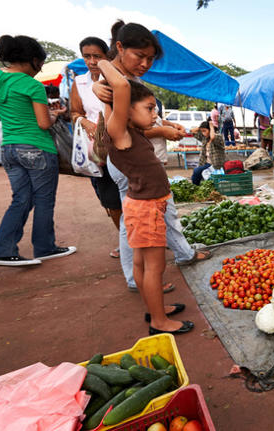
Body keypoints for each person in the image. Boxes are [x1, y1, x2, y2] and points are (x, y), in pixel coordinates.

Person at [95, 20, 210, 292]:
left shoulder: (131, 79)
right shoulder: (115, 84)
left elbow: (141, 121)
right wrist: (163, 132)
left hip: (144, 163)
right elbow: (124, 133)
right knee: (132, 222)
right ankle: (139, 280)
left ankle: (181, 254)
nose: (145, 63)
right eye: (140, 56)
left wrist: (168, 126)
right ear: (120, 48)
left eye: (150, 59)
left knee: (164, 209)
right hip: (130, 165)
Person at [97, 59, 192, 335]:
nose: (154, 114)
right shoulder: (121, 133)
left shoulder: (133, 131)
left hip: (144, 206)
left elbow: (118, 96)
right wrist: (103, 64)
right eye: (149, 109)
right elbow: (121, 86)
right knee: (155, 266)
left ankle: (155, 310)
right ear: (126, 111)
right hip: (146, 208)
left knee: (141, 263)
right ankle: (159, 322)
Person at [0, 35, 76, 266]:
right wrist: (55, 113)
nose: (41, 68)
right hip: (37, 147)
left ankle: (3, 250)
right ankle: (45, 247)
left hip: (9, 148)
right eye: (41, 63)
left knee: (21, 199)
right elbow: (44, 124)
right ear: (33, 60)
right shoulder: (31, 85)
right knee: (44, 200)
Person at [70, 36, 123, 258]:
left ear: (106, 57)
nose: (92, 61)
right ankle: (125, 239)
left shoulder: (114, 79)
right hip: (95, 151)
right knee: (109, 198)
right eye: (87, 56)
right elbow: (74, 113)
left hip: (118, 146)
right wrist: (86, 122)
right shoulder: (79, 83)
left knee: (127, 195)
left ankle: (134, 238)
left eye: (97, 56)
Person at [190, 120, 225, 186]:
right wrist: (200, 127)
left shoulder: (218, 137)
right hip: (206, 163)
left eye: (204, 131)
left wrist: (211, 127)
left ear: (210, 130)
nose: (203, 133)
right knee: (196, 174)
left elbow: (213, 137)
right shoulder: (204, 138)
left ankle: (195, 187)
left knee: (196, 171)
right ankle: (197, 187)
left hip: (215, 164)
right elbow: (192, 131)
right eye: (202, 131)